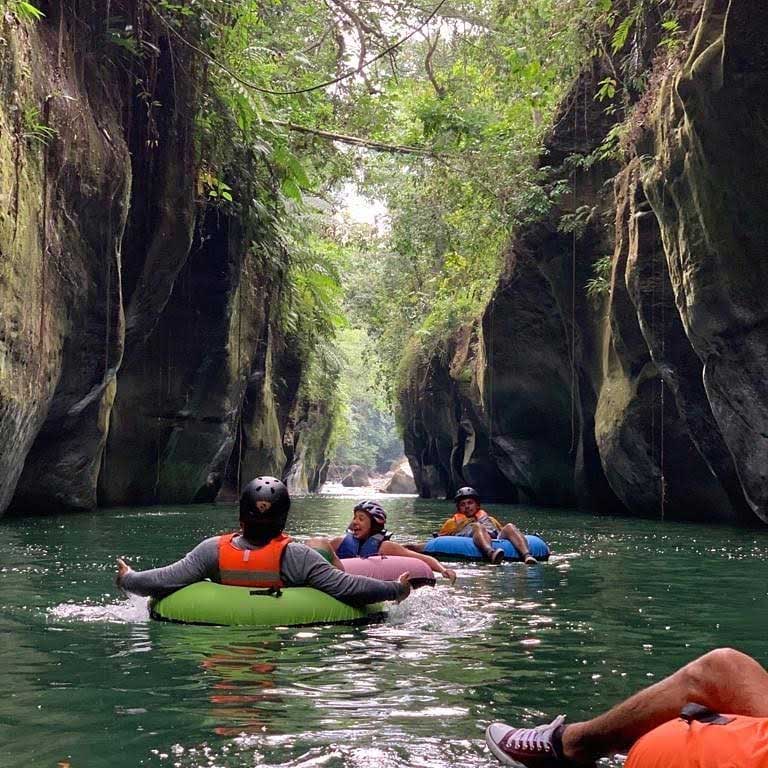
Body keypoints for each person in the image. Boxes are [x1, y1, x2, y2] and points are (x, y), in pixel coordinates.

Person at [116, 476, 412, 605]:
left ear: (241, 516)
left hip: (219, 642)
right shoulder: (297, 557)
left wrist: (128, 577)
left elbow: (163, 579)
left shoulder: (212, 551)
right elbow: (349, 588)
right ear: (283, 519)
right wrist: (396, 588)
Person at [485, 647, 768, 767]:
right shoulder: (466, 521)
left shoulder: (482, 519)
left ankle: (567, 745)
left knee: (719, 670)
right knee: (728, 667)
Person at [306, 500, 457, 584]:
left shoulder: (384, 546)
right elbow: (315, 555)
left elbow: (422, 558)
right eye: (354, 518)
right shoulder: (340, 542)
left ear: (374, 523)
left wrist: (443, 570)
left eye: (361, 518)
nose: (355, 522)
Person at [408, 487, 538, 565]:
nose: (467, 506)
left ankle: (527, 556)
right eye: (463, 504)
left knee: (509, 526)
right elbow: (438, 541)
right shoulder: (451, 522)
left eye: (470, 503)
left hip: (492, 537)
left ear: (477, 505)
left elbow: (499, 534)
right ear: (459, 508)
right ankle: (491, 553)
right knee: (478, 526)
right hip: (468, 536)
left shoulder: (490, 519)